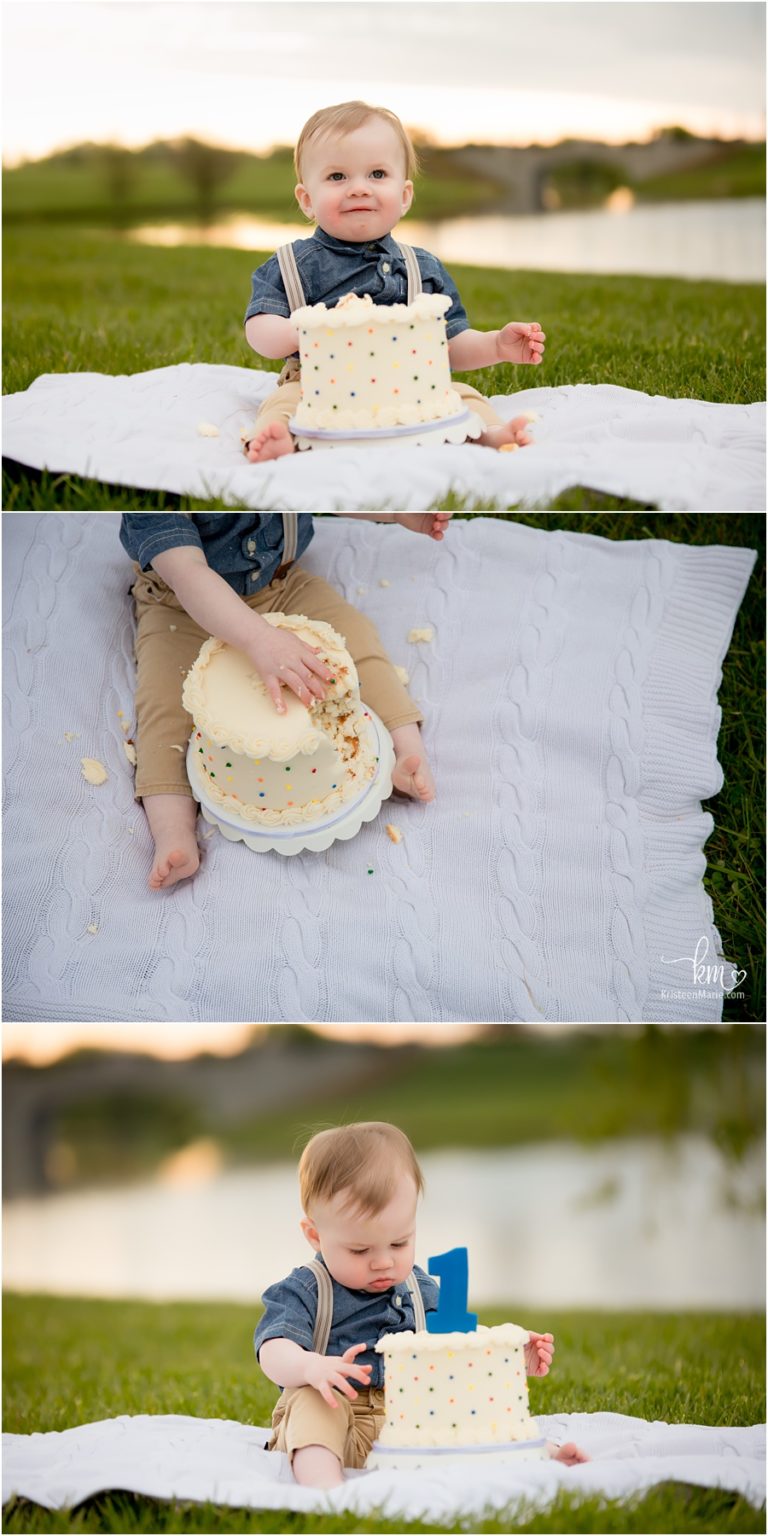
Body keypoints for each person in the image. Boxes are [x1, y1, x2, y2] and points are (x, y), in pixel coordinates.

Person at [119, 512, 451, 891]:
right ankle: (173, 833)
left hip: (282, 586)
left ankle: (406, 753)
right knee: (163, 709)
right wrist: (259, 638)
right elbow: (188, 571)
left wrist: (394, 512)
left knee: (355, 643)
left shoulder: (268, 458)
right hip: (180, 605)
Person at [255, 1121, 589, 1488]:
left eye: (399, 1243)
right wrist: (309, 1366)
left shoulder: (416, 1286)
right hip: (337, 1424)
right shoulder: (307, 1288)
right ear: (315, 1236)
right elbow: (273, 1349)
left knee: (458, 1399)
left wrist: (506, 1351)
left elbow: (452, 1338)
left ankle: (534, 1452)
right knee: (313, 1401)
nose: (383, 1261)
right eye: (360, 1250)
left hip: (407, 1429)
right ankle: (324, 1489)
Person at [242, 101, 545, 462]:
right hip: (317, 386)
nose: (358, 189)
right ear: (307, 200)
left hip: (410, 387)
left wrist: (496, 345)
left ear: (404, 197)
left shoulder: (422, 267)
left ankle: (490, 434)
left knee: (460, 395)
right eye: (337, 177)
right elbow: (259, 328)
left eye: (377, 174)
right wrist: (305, 330)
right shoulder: (292, 264)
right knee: (282, 403)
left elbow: (449, 343)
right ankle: (276, 439)